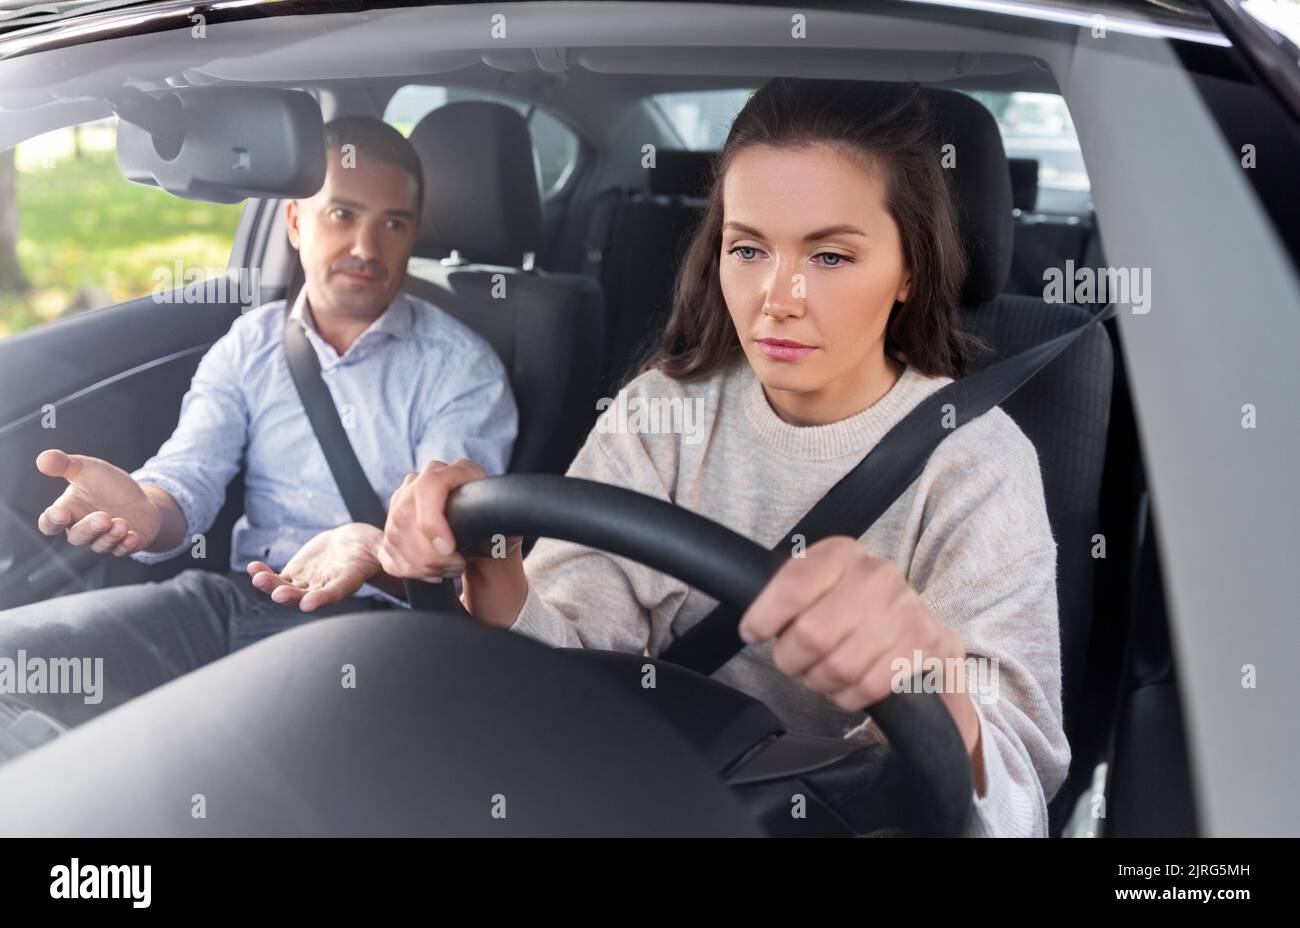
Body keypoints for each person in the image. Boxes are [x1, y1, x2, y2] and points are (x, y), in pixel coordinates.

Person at [253, 80, 1069, 837]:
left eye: (830, 256)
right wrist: (496, 575)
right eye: (748, 249)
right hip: (646, 794)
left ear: (908, 272)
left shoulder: (976, 459)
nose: (776, 296)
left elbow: (1016, 806)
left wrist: (931, 684)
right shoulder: (662, 412)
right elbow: (568, 673)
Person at [0, 116, 517, 727]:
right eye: (342, 215)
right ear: (296, 223)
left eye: (393, 224)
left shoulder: (463, 368)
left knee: (221, 756)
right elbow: (188, 475)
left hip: (380, 630)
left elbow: (450, 536)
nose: (365, 248)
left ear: (413, 235)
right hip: (232, 601)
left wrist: (372, 550)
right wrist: (144, 507)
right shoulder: (250, 345)